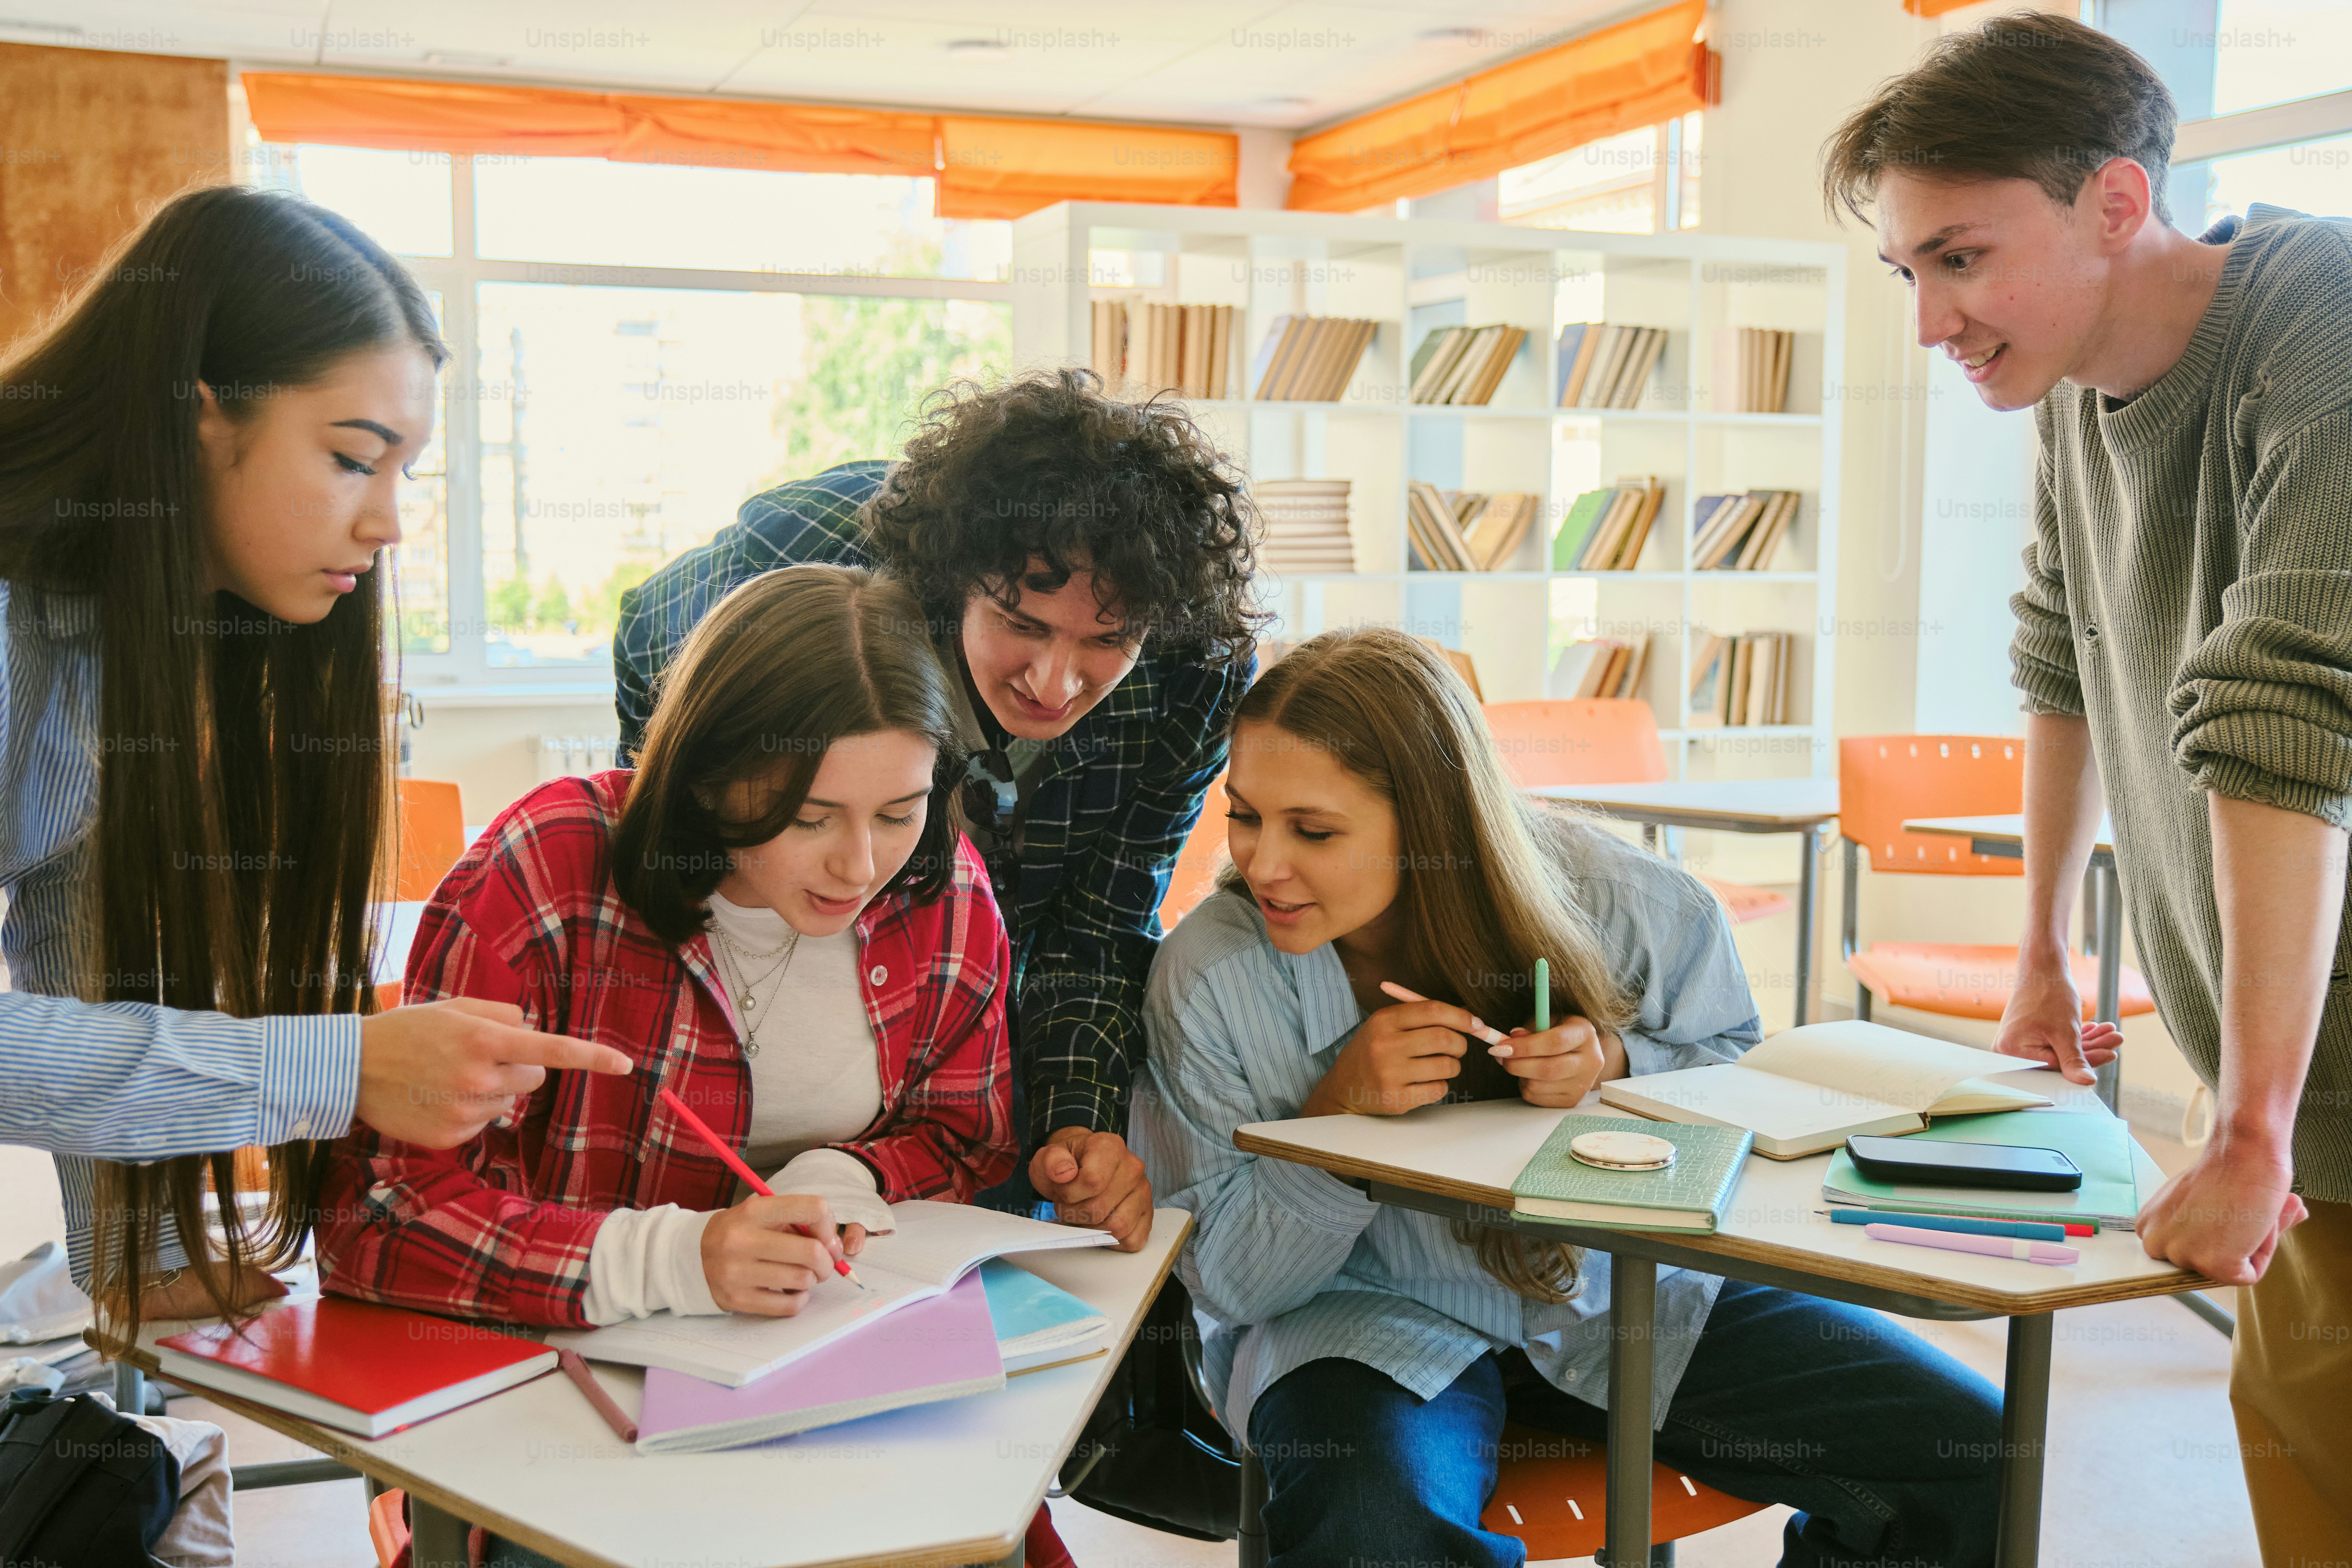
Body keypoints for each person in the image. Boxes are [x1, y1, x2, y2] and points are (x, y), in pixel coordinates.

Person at [1134, 629, 2003, 1568]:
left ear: (1437, 824)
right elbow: (1230, 1283)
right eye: (1245, 816)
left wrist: (1621, 1063)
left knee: (1980, 1464)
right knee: (1372, 1528)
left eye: (1314, 830)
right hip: (1361, 1321)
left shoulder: (1637, 906)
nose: (1264, 865)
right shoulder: (1210, 976)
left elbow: (1746, 1083)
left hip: (1630, 1293)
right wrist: (1333, 1126)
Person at [1824, 13, 2352, 1550]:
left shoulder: (2322, 323)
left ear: (2118, 204)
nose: (1931, 318)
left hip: (2306, 1084)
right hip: (2305, 1086)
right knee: (2310, 1469)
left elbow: (2293, 713)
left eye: (1962, 258)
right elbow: (2061, 655)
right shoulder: (2067, 384)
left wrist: (2245, 1125)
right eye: (1908, 270)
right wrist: (2041, 950)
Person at [0, 184, 629, 1338]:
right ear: (199, 419)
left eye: (407, 474)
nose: (390, 522)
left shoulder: (105, 628)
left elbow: (66, 937)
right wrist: (333, 1067)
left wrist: (127, 1253)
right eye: (354, 458)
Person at [613, 370, 1263, 1250]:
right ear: (959, 578)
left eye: (1107, 640)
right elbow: (664, 663)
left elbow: (1097, 929)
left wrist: (1077, 1123)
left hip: (986, 944)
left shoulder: (1197, 670)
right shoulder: (808, 571)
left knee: (980, 1169)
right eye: (1023, 624)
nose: (1055, 682)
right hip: (724, 681)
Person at [316, 564, 1014, 1326]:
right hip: (544, 1382)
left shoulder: (943, 891)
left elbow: (967, 1139)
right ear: (708, 778)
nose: (861, 866)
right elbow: (378, 1216)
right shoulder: (547, 868)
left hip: (813, 1354)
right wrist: (671, 1260)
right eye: (811, 817)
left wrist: (845, 1173)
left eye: (897, 812)